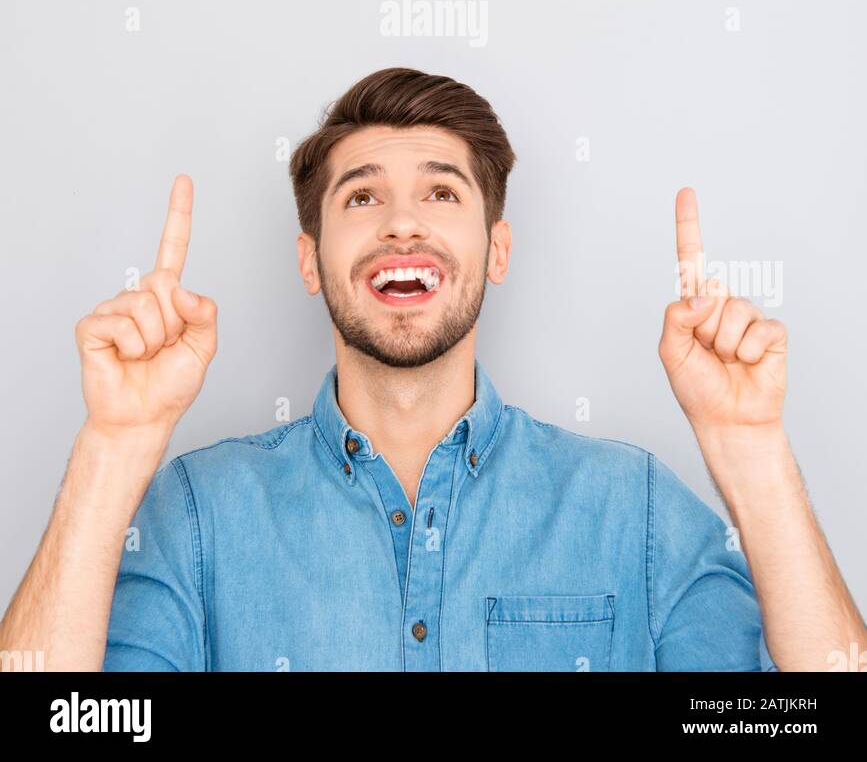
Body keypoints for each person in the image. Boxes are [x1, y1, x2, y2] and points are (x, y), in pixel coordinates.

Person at [1, 67, 863, 671]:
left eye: (443, 193)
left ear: (496, 251)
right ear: (310, 261)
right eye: (363, 195)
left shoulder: (629, 509)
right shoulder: (197, 516)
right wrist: (115, 441)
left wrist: (748, 446)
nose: (403, 223)